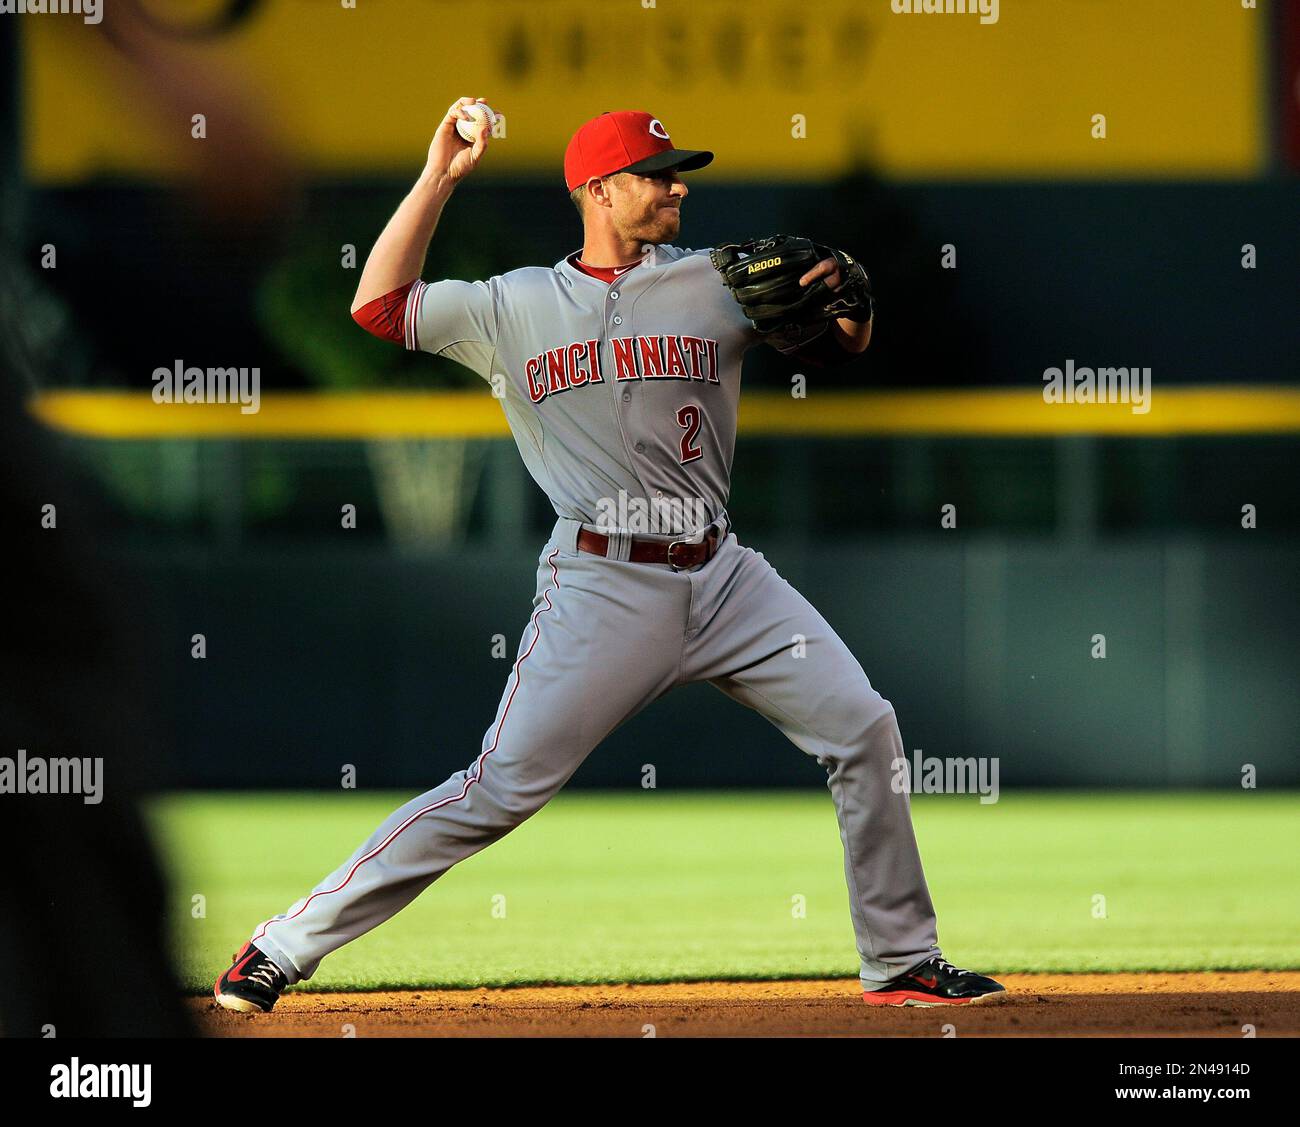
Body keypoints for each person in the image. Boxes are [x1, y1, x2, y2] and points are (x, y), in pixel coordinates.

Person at [213, 100, 1005, 1013]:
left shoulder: (720, 281)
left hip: (724, 577)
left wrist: (854, 309)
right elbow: (378, 305)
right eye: (657, 175)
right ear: (598, 190)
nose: (676, 188)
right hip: (600, 583)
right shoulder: (510, 305)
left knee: (864, 727)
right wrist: (439, 176)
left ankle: (901, 960)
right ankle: (277, 948)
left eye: (678, 174)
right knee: (495, 789)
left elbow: (836, 347)